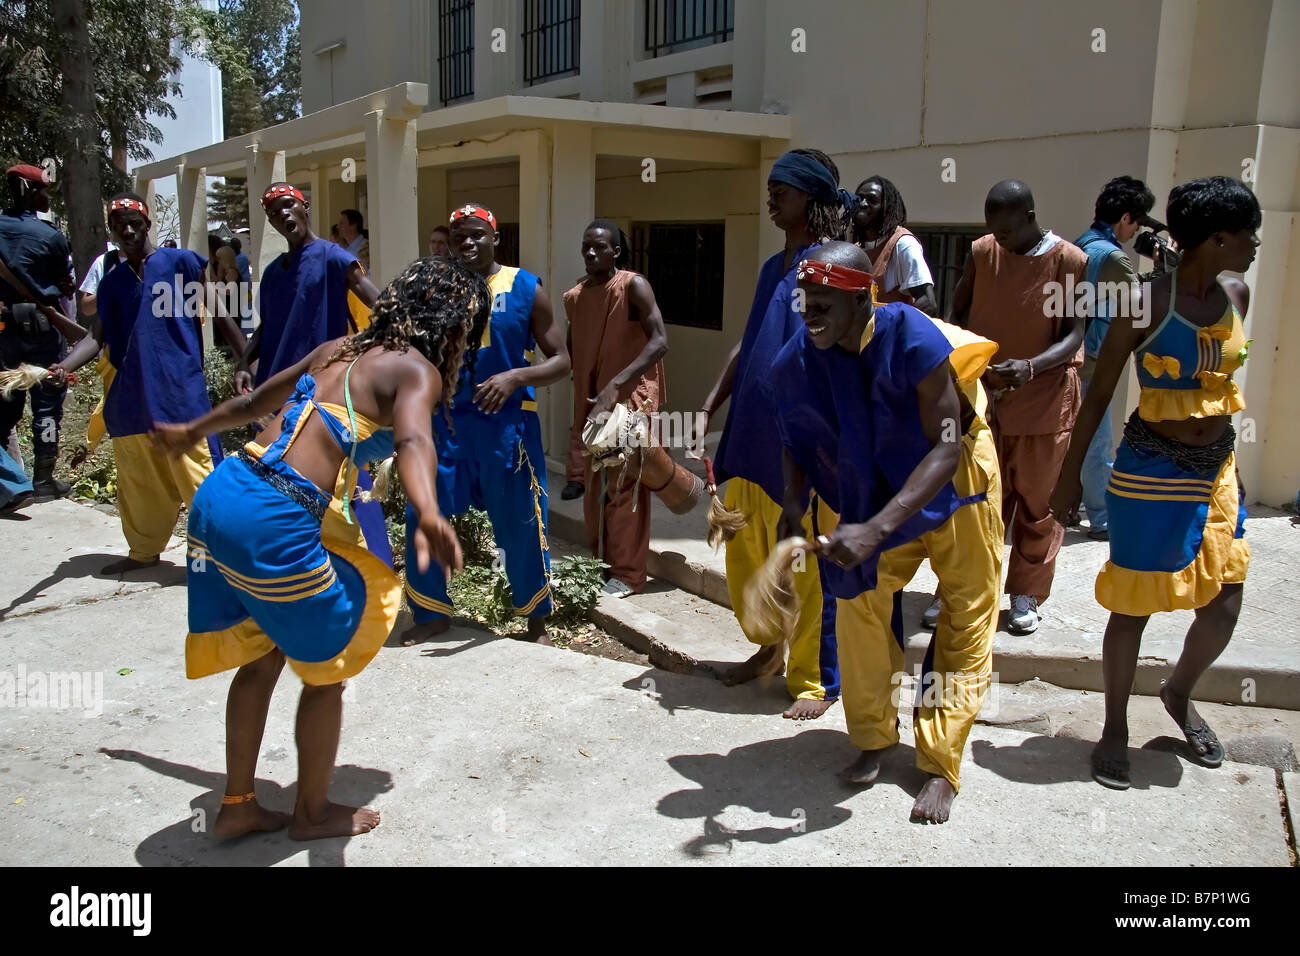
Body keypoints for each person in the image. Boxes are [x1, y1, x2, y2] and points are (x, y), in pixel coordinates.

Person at [153, 256, 483, 840]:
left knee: (262, 654)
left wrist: (192, 430)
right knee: (326, 668)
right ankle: (310, 814)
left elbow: (257, 405)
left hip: (223, 495)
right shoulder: (417, 370)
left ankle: (237, 806)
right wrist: (429, 511)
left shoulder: (338, 348)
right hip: (274, 517)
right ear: (456, 324)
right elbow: (411, 440)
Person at [770, 242, 1003, 823]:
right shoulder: (808, 350)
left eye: (823, 304)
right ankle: (875, 736)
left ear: (862, 299)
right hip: (877, 480)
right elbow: (799, 428)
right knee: (857, 601)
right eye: (805, 304)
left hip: (957, 480)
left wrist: (875, 527)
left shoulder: (911, 337)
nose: (809, 315)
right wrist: (795, 502)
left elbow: (947, 445)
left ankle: (941, 763)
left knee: (964, 615)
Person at [1052, 177, 1259, 791]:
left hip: (1217, 468)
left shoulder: (1237, 293)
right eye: (1248, 233)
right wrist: (1068, 485)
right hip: (1149, 469)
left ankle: (1178, 692)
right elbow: (1097, 398)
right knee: (1133, 604)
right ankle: (1114, 726)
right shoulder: (1143, 302)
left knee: (1224, 600)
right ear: (1217, 238)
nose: (1254, 244)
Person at [695, 148, 850, 719]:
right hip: (749, 437)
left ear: (808, 199)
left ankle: (814, 682)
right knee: (748, 557)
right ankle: (767, 649)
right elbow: (749, 339)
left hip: (800, 441)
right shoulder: (770, 268)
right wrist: (712, 402)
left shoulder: (827, 264)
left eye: (779, 192)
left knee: (804, 565)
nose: (770, 200)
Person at [400, 203, 571, 645]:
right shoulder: (436, 290)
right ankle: (430, 613)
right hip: (448, 426)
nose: (469, 243)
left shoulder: (525, 287)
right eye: (460, 237)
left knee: (521, 522)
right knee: (423, 513)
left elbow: (561, 362)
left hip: (507, 429)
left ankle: (535, 619)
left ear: (495, 237)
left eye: (477, 234)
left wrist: (517, 376)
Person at [49, 194, 247, 573]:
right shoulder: (111, 285)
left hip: (180, 394)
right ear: (112, 230)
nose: (127, 230)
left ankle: (223, 560)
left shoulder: (181, 263)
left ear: (147, 225)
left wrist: (244, 359)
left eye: (134, 223)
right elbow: (96, 337)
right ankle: (143, 551)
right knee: (142, 484)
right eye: (119, 224)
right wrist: (63, 365)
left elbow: (218, 309)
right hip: (131, 398)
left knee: (202, 480)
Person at [950, 179, 1088, 634]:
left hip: (1044, 401)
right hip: (987, 399)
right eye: (992, 229)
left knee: (1037, 503)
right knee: (980, 501)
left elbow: (1074, 335)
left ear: (1029, 217)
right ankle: (965, 591)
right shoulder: (982, 252)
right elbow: (959, 313)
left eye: (1006, 230)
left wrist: (1029, 367)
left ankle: (1025, 593)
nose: (999, 239)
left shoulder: (1071, 261)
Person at [234, 183, 389, 562]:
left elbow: (383, 305)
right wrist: (244, 363)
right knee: (286, 489)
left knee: (345, 486)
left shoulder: (334, 258)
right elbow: (268, 328)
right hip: (279, 397)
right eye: (274, 213)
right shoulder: (272, 273)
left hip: (325, 398)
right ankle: (300, 572)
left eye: (289, 207)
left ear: (305, 206)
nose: (283, 215)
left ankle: (373, 575)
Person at [563, 220, 669, 594]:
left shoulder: (633, 286)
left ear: (616, 251)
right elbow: (572, 350)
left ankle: (627, 574)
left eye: (600, 247)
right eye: (586, 246)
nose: (591, 253)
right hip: (594, 407)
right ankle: (601, 563)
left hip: (629, 397)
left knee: (626, 486)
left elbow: (659, 342)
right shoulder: (574, 297)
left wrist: (615, 384)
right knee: (595, 489)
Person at [1070, 176, 1154, 541]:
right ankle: (1102, 518)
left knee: (1074, 435)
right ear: (1124, 218)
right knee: (1097, 439)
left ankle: (1070, 505)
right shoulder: (1115, 257)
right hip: (1092, 360)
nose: (1136, 230)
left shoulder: (1082, 244)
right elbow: (1143, 304)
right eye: (1137, 222)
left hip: (1071, 356)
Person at [0, 163, 82, 500]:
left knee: (5, 398)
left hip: (5, 327)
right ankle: (43, 480)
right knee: (47, 402)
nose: (48, 196)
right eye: (43, 190)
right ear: (28, 190)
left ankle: (8, 481)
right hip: (43, 325)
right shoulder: (51, 236)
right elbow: (64, 284)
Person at [851, 175, 938, 315]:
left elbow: (927, 302)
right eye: (859, 199)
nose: (863, 204)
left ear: (886, 207)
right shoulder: (855, 249)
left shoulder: (903, 244)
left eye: (872, 200)